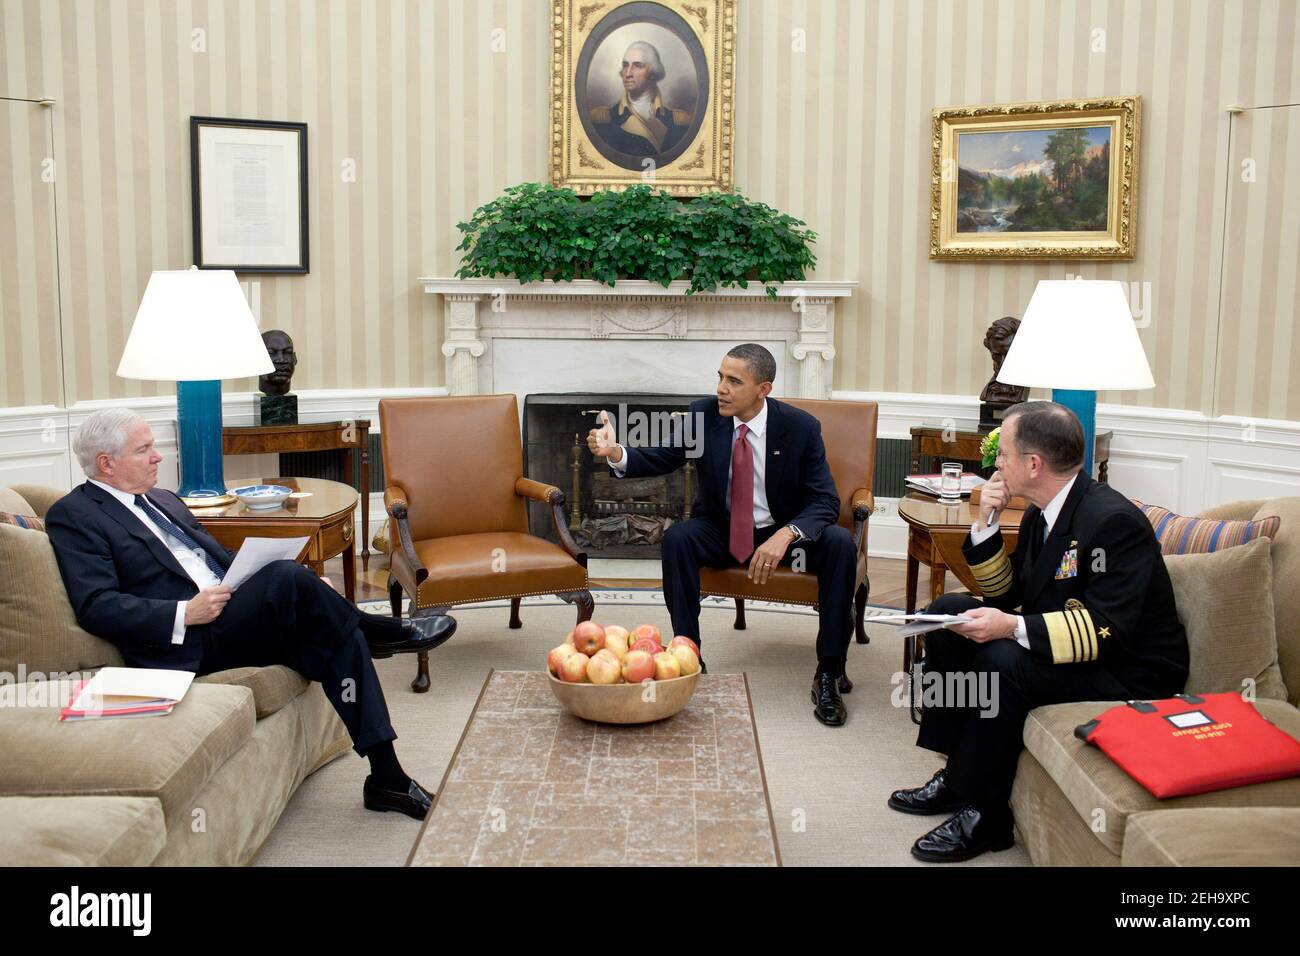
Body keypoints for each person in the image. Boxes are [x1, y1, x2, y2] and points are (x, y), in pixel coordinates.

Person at [45, 408, 457, 820]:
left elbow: (217, 558)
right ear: (106, 463)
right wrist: (184, 612)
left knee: (331, 629)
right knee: (289, 582)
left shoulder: (162, 499)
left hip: (232, 615)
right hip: (188, 641)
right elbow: (96, 605)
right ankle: (379, 630)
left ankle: (387, 777)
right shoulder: (75, 515)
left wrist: (310, 584)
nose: (158, 456)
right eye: (144, 449)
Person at [888, 401, 1188, 862]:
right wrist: (985, 526)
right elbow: (1008, 593)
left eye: (1003, 455)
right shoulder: (1041, 512)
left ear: (1033, 464)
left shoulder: (1112, 522)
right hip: (1075, 649)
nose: (995, 465)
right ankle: (956, 779)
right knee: (947, 615)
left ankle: (988, 816)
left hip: (1128, 670)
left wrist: (1012, 627)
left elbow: (1107, 629)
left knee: (1002, 659)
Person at [586, 344, 858, 726]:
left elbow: (825, 500)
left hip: (784, 537)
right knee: (679, 539)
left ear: (763, 389)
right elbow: (663, 457)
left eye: (734, 381)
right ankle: (689, 656)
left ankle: (829, 670)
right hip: (724, 531)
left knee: (840, 544)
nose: (721, 389)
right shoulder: (704, 415)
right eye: (720, 377)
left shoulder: (801, 428)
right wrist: (616, 451)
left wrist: (787, 534)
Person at [589, 41, 694, 158]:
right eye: (625, 65)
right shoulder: (601, 121)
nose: (628, 73)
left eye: (637, 65)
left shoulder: (679, 122)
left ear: (653, 72)